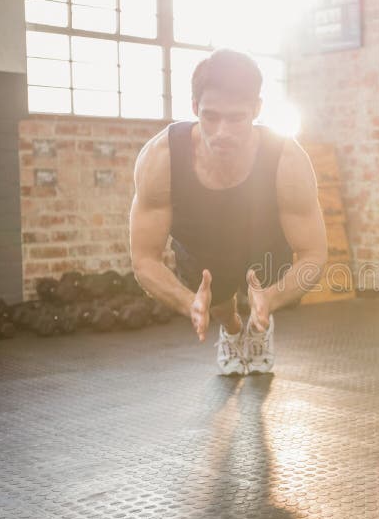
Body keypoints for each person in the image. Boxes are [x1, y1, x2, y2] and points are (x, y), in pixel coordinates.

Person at [129, 49, 328, 375]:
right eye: (210, 116)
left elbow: (314, 253)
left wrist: (271, 299)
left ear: (256, 110)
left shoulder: (287, 160)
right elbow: (144, 259)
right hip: (201, 243)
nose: (222, 131)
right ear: (195, 107)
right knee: (218, 304)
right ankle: (233, 330)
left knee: (265, 290)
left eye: (236, 118)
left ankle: (259, 327)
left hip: (264, 238)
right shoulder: (161, 158)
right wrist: (188, 303)